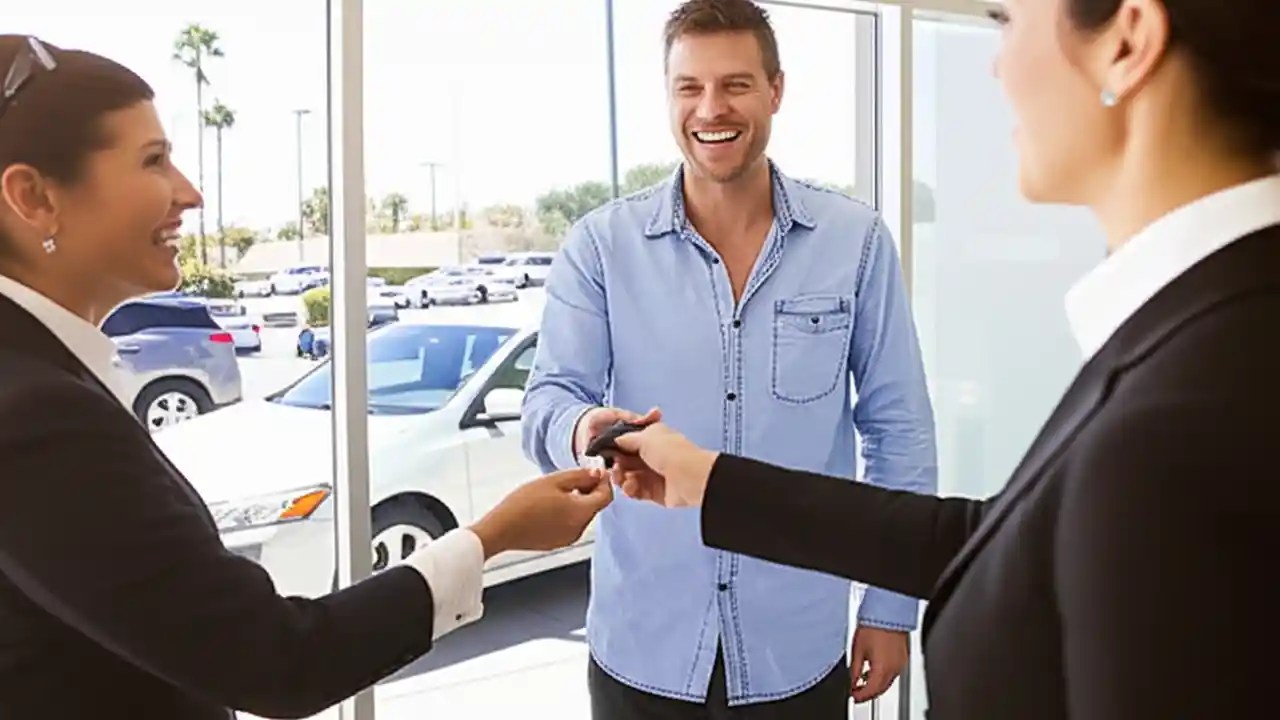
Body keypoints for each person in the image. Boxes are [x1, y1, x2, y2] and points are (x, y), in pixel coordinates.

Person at [604, 0, 1280, 717]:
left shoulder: (1193, 408)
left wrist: (885, 614)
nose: (995, 64)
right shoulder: (1198, 329)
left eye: (1006, 21)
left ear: (1128, 42)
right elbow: (1006, 539)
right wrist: (712, 480)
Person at [0, 36, 614, 719]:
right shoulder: (36, 415)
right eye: (153, 161)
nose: (190, 193)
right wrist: (491, 537)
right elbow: (275, 659)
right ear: (33, 197)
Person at [522, 1, 937, 716]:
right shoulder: (600, 247)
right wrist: (591, 426)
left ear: (776, 90)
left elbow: (900, 431)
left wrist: (891, 608)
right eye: (689, 87)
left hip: (797, 651)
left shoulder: (856, 242)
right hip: (642, 653)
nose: (711, 108)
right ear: (669, 98)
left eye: (736, 84)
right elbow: (548, 398)